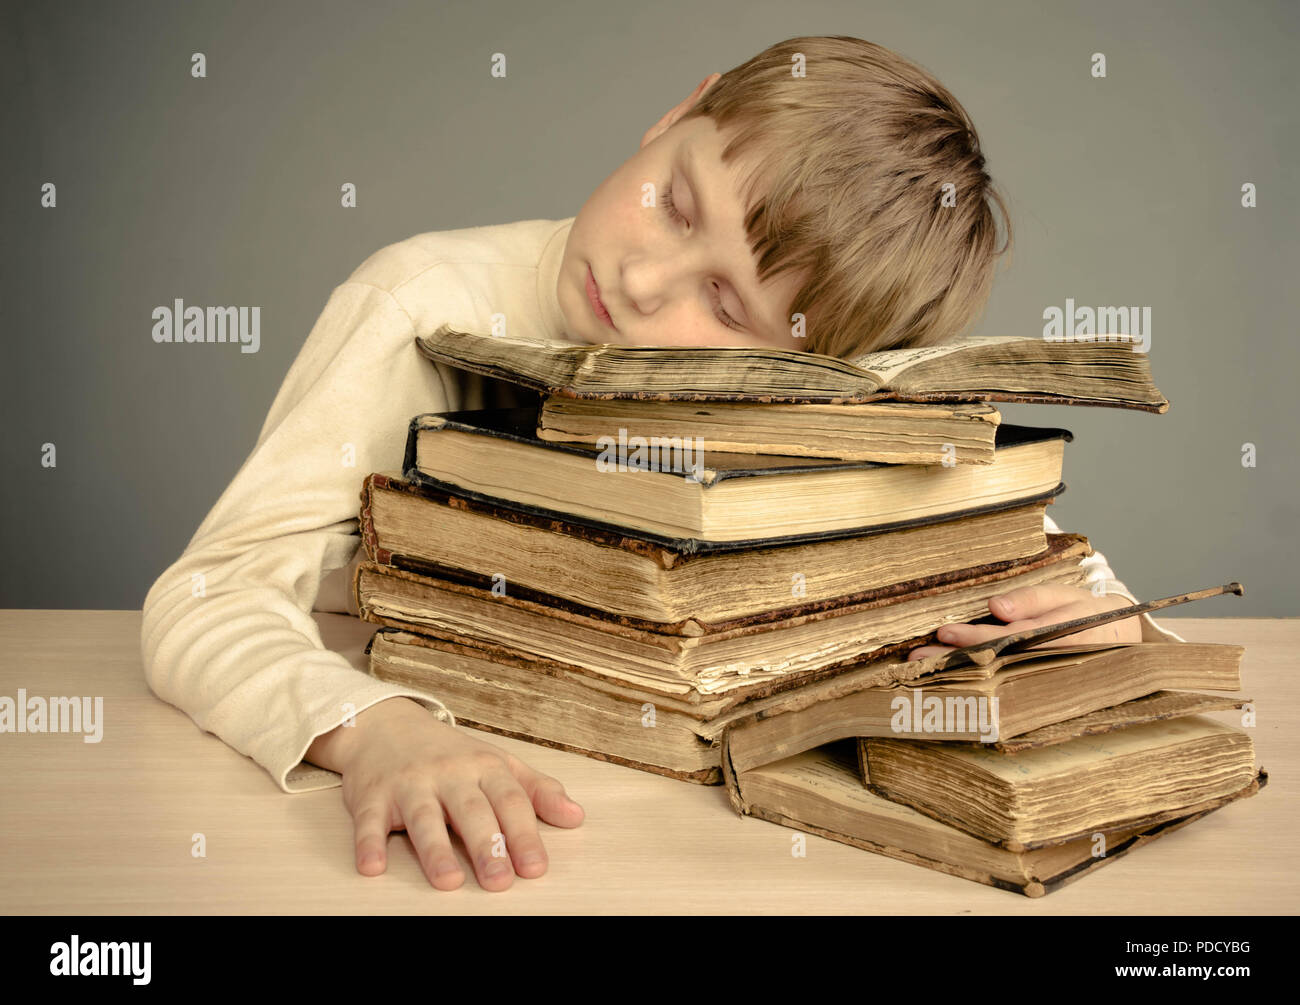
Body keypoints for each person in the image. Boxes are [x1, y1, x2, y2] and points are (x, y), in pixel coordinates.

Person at [141, 36, 1182, 894]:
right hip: (439, 804)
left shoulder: (800, 410)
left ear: (817, 372)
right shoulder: (421, 302)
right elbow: (208, 594)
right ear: (682, 109)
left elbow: (1002, 556)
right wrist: (376, 735)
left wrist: (1111, 625)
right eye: (676, 203)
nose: (643, 280)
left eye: (726, 307)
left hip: (673, 840)